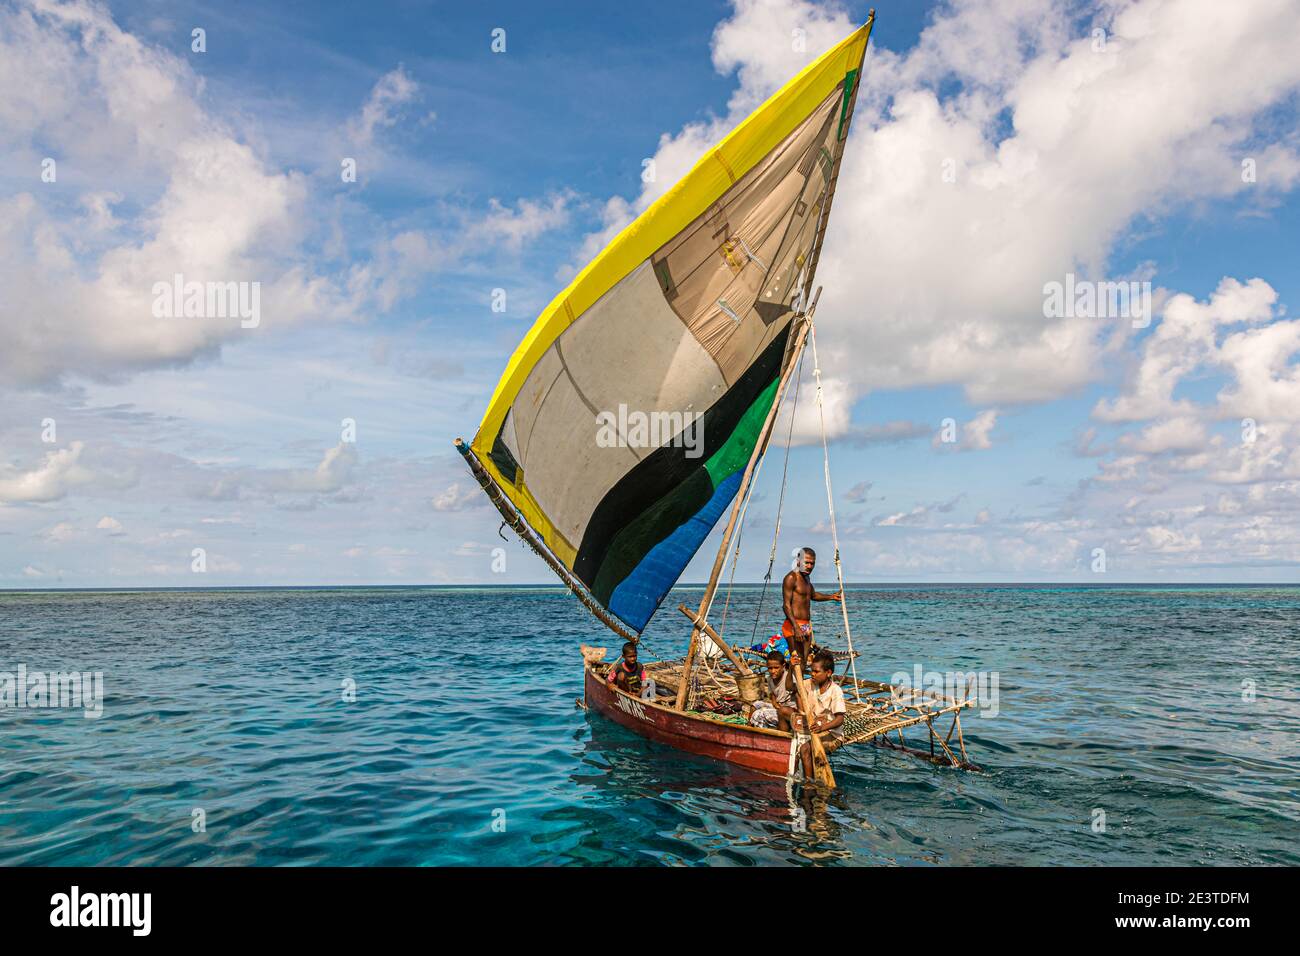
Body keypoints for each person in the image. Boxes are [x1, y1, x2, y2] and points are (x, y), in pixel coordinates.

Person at [781, 547, 842, 665]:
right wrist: (796, 628)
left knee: (803, 662)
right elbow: (786, 606)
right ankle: (792, 682)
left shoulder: (806, 578)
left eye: (812, 563)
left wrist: (831, 597)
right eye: (806, 562)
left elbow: (813, 595)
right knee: (796, 663)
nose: (809, 566)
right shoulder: (791, 578)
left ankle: (799, 684)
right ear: (798, 561)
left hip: (805, 625)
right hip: (794, 626)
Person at [794, 650, 846, 780]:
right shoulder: (809, 683)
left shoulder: (835, 691)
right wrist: (791, 668)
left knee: (805, 749)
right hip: (813, 728)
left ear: (828, 673)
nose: (812, 674)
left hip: (831, 734)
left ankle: (809, 782)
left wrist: (822, 728)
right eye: (812, 670)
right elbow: (794, 688)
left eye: (816, 672)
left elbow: (840, 719)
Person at [748, 650, 798, 729]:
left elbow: (792, 689)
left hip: (789, 710)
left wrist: (779, 707)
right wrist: (774, 703)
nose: (773, 671)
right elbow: (773, 694)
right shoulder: (769, 679)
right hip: (778, 707)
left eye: (776, 668)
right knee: (755, 705)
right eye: (770, 668)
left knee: (761, 713)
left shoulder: (788, 677)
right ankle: (749, 728)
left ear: (783, 666)